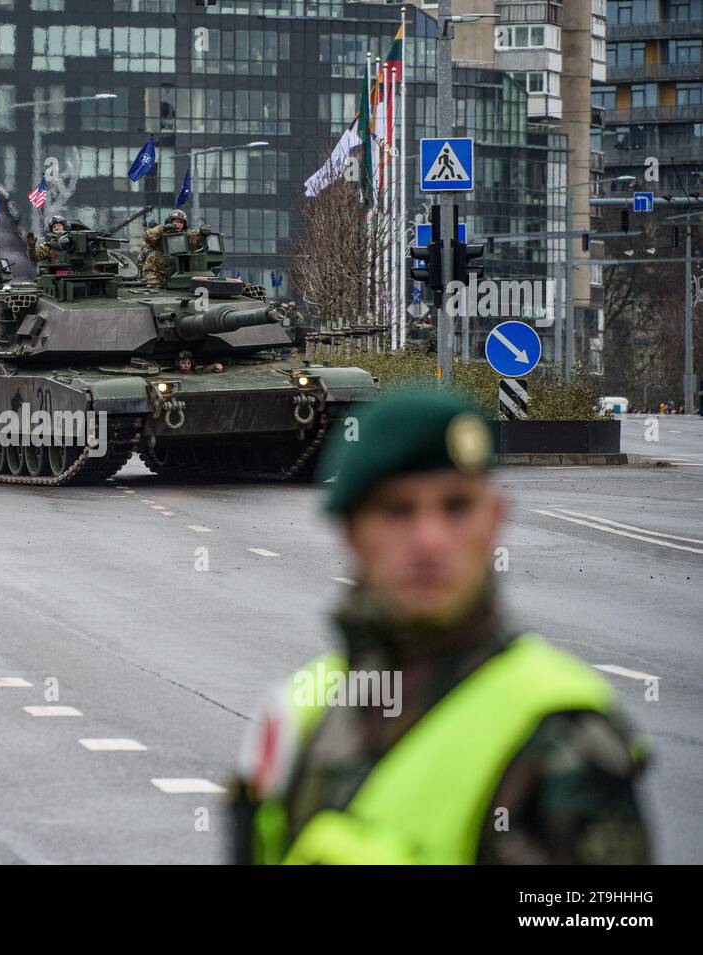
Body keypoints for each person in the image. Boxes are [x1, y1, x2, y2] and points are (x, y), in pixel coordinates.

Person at [232, 389, 650, 865]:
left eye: (456, 507)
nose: (429, 542)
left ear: (494, 521)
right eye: (397, 510)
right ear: (351, 532)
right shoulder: (296, 717)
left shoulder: (565, 733)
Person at [141, 209, 210, 288]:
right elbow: (148, 236)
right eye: (176, 222)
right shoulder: (161, 234)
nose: (179, 225)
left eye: (181, 223)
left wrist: (201, 232)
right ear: (170, 222)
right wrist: (162, 228)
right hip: (156, 271)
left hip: (176, 271)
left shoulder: (185, 236)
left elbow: (193, 236)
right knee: (154, 290)